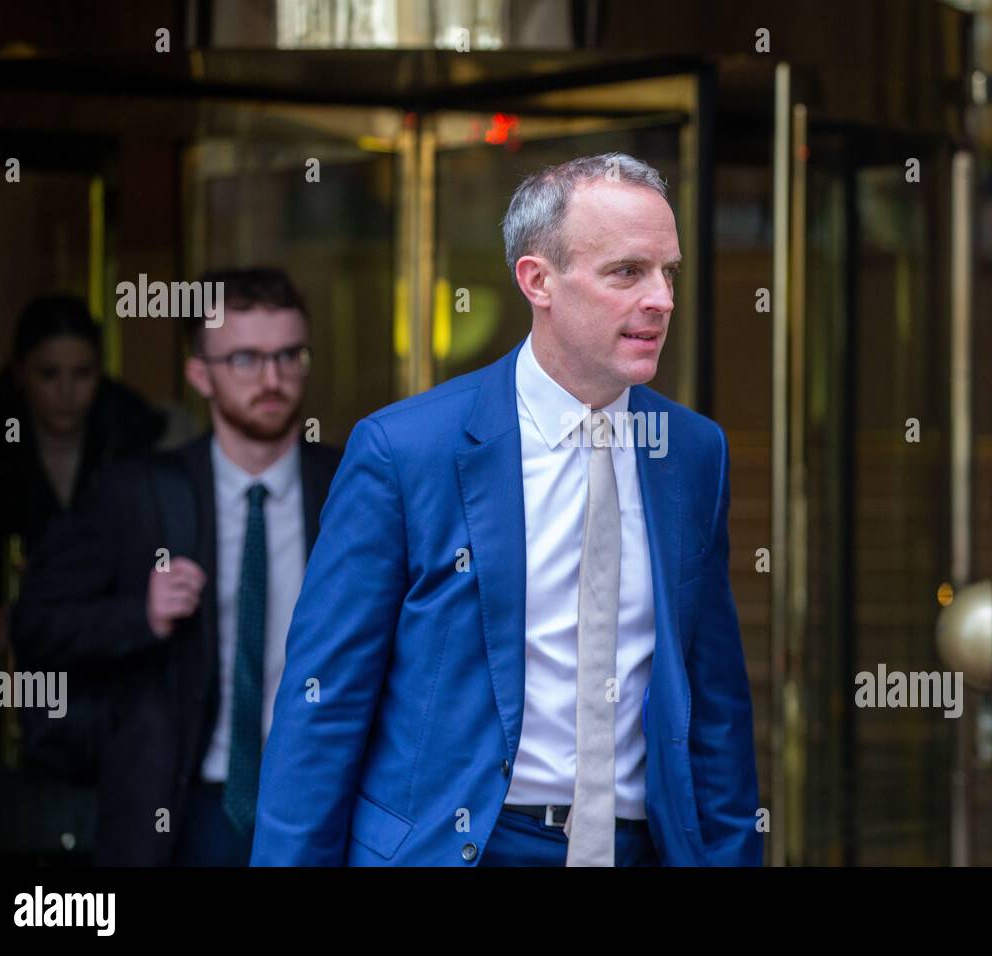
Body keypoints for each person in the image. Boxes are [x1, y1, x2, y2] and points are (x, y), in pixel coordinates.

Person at [251, 153, 762, 867]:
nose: (661, 299)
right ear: (537, 280)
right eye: (627, 272)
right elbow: (323, 707)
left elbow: (714, 709)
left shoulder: (692, 453)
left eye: (668, 272)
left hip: (639, 848)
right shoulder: (406, 452)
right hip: (464, 848)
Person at [11, 267, 343, 866]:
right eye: (245, 358)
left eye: (289, 355)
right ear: (199, 374)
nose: (272, 379)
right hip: (176, 808)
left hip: (317, 798)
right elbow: (36, 623)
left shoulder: (349, 485)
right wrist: (138, 614)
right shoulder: (134, 493)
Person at [0, 294, 167, 866]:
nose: (66, 391)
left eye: (82, 373)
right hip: (1, 672)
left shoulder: (142, 435)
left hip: (111, 654)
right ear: (19, 374)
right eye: (48, 374)